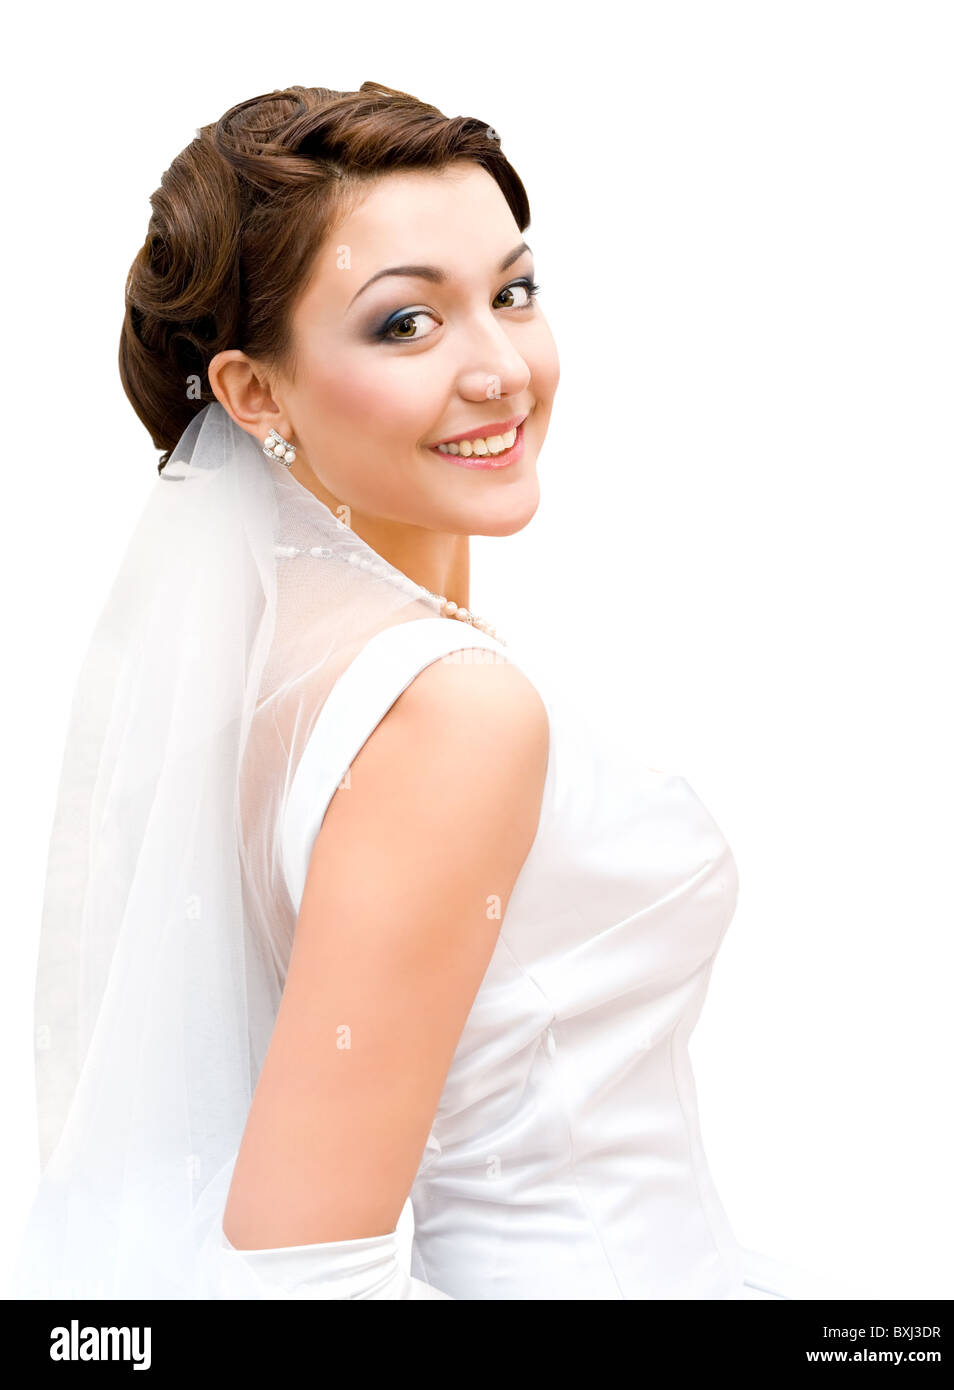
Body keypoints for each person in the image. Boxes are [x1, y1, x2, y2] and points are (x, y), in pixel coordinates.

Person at [12, 81, 836, 1300]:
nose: (501, 369)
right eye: (406, 325)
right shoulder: (448, 709)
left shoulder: (270, 667)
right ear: (252, 394)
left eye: (511, 293)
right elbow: (304, 1275)